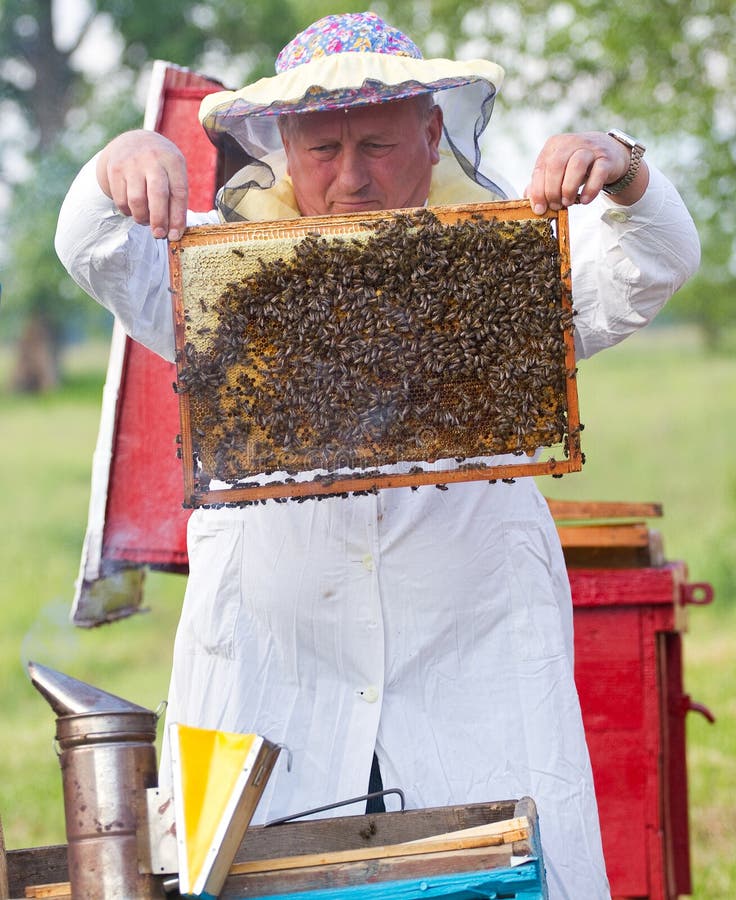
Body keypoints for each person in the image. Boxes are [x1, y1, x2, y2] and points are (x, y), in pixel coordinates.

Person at [55, 12, 699, 899]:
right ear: (281, 143)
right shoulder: (209, 269)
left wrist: (621, 165)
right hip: (273, 666)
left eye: (379, 144)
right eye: (323, 149)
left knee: (503, 871)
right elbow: (92, 249)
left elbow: (652, 263)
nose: (352, 176)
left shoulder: (506, 263)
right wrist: (118, 161)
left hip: (470, 657)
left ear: (432, 133)